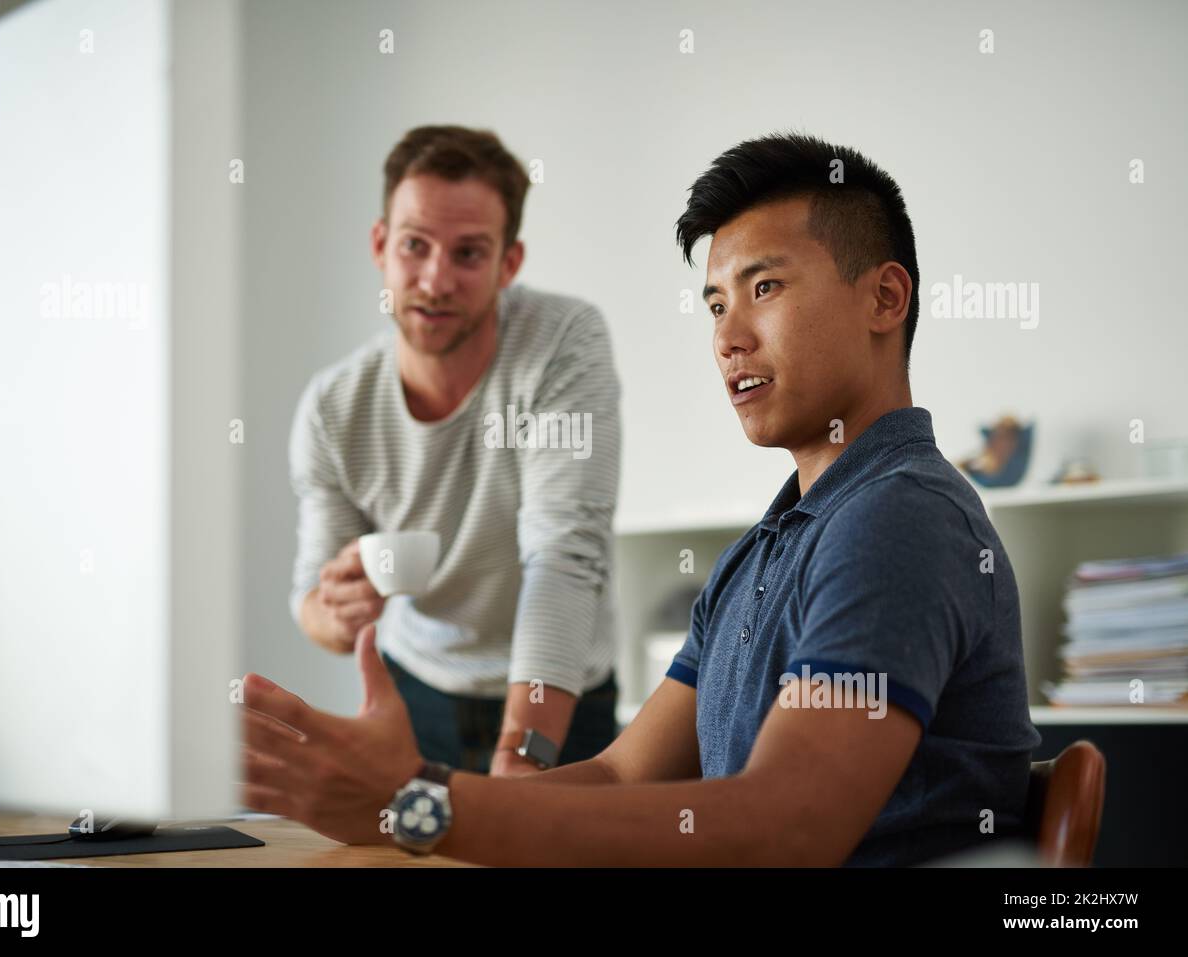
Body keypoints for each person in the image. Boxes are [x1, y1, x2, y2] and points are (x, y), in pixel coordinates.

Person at [250, 132, 1042, 865]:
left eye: (764, 286)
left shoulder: (899, 517)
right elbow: (621, 775)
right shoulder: (761, 552)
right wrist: (405, 797)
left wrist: (423, 803)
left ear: (886, 298)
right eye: (717, 305)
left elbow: (787, 824)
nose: (727, 338)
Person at [287, 125, 622, 777]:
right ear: (381, 245)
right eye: (415, 245)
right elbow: (312, 597)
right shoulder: (334, 407)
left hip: (562, 693)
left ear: (509, 264)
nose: (436, 280)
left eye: (468, 253)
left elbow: (565, 554)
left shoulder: (563, 341)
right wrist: (337, 612)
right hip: (420, 689)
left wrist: (519, 760)